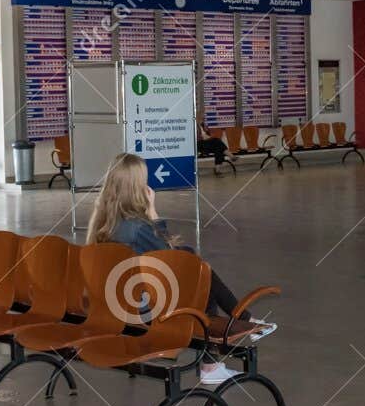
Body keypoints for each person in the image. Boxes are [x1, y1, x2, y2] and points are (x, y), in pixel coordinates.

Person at [85, 153, 247, 385]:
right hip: (138, 309)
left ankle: (238, 321)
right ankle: (214, 359)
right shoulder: (136, 227)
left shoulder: (103, 221)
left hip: (113, 301)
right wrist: (153, 213)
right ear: (136, 187)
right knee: (201, 277)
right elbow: (172, 258)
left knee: (200, 269)